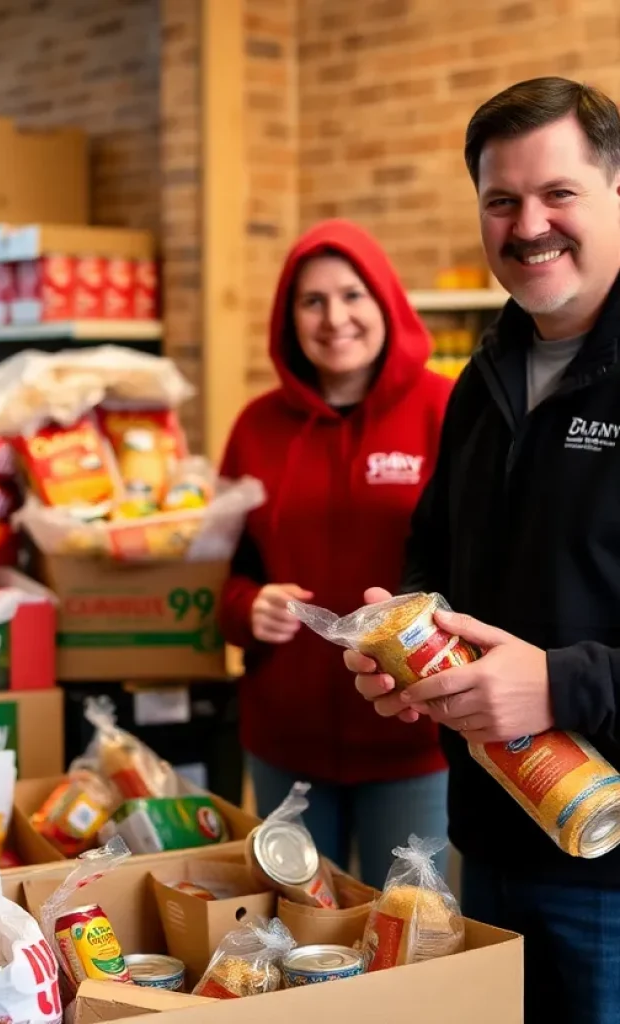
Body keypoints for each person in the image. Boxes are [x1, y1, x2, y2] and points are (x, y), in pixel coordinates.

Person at [347, 77, 620, 1024]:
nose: (529, 224)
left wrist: (559, 684)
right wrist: (409, 642)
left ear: (617, 191)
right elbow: (435, 552)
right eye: (501, 201)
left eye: (559, 194)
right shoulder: (480, 381)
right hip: (489, 845)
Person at [218, 219, 454, 888]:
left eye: (353, 295)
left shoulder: (446, 409)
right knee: (296, 939)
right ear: (287, 318)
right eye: (312, 301)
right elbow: (225, 573)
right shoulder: (256, 427)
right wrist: (246, 606)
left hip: (415, 740)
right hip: (284, 742)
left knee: (411, 940)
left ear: (386, 302)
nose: (334, 318)